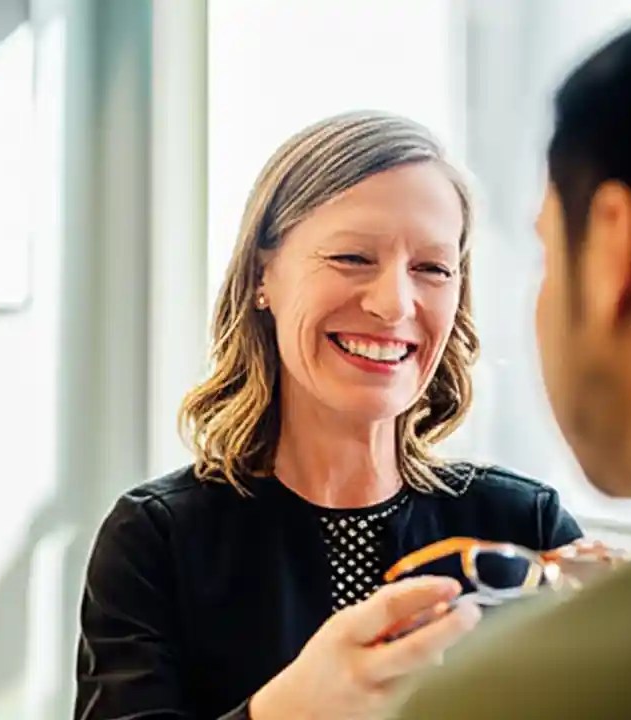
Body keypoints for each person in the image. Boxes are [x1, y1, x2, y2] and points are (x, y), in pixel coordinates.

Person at [73, 110, 584, 720]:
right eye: (351, 257)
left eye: (432, 268)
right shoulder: (155, 542)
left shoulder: (524, 529)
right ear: (264, 276)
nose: (395, 304)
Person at [392, 2, 631, 718]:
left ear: (614, 248)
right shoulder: (157, 531)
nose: (393, 304)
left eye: (544, 250)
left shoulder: (513, 695)